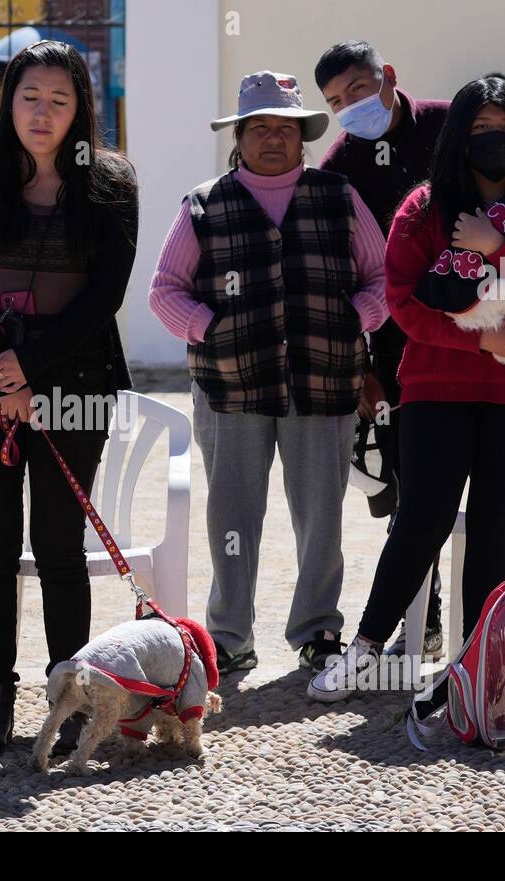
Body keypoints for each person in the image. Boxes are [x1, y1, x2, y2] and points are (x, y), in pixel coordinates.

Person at [308, 74, 505, 702]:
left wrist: (500, 245)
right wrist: (479, 341)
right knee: (420, 521)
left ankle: (480, 668)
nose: (494, 140)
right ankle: (366, 650)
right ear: (458, 136)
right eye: (480, 128)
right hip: (437, 390)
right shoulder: (424, 207)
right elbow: (403, 305)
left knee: (495, 530)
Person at [149, 70, 386, 677]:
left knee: (320, 518)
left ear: (303, 136)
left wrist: (352, 319)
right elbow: (164, 291)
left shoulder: (338, 196)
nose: (274, 139)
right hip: (232, 390)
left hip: (324, 383)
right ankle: (228, 636)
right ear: (240, 135)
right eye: (260, 128)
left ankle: (316, 630)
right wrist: (211, 330)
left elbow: (383, 278)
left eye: (286, 128)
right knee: (232, 519)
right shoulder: (204, 204)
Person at [0, 40, 138, 755]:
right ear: (8, 103)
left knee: (59, 544)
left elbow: (102, 298)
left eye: (60, 100)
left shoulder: (112, 183)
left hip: (76, 385)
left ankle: (74, 694)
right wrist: (5, 370)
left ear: (80, 107)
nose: (44, 113)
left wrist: (33, 370)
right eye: (30, 98)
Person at [315, 41, 451, 658]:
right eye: (336, 102)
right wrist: (364, 367)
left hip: (481, 332)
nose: (350, 108)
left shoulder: (451, 125)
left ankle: (491, 621)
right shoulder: (340, 163)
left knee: (490, 491)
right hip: (398, 351)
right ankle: (422, 624)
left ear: (389, 77)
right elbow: (339, 275)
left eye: (359, 91)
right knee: (412, 490)